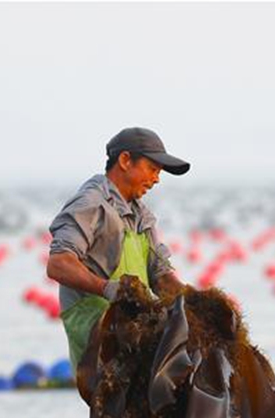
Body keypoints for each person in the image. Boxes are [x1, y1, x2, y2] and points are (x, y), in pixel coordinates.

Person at [46, 127, 190, 368]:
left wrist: (197, 302)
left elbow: (161, 275)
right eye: (152, 169)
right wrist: (107, 289)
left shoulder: (141, 214)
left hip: (138, 316)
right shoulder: (91, 203)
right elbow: (58, 264)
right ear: (125, 160)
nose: (156, 179)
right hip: (97, 323)